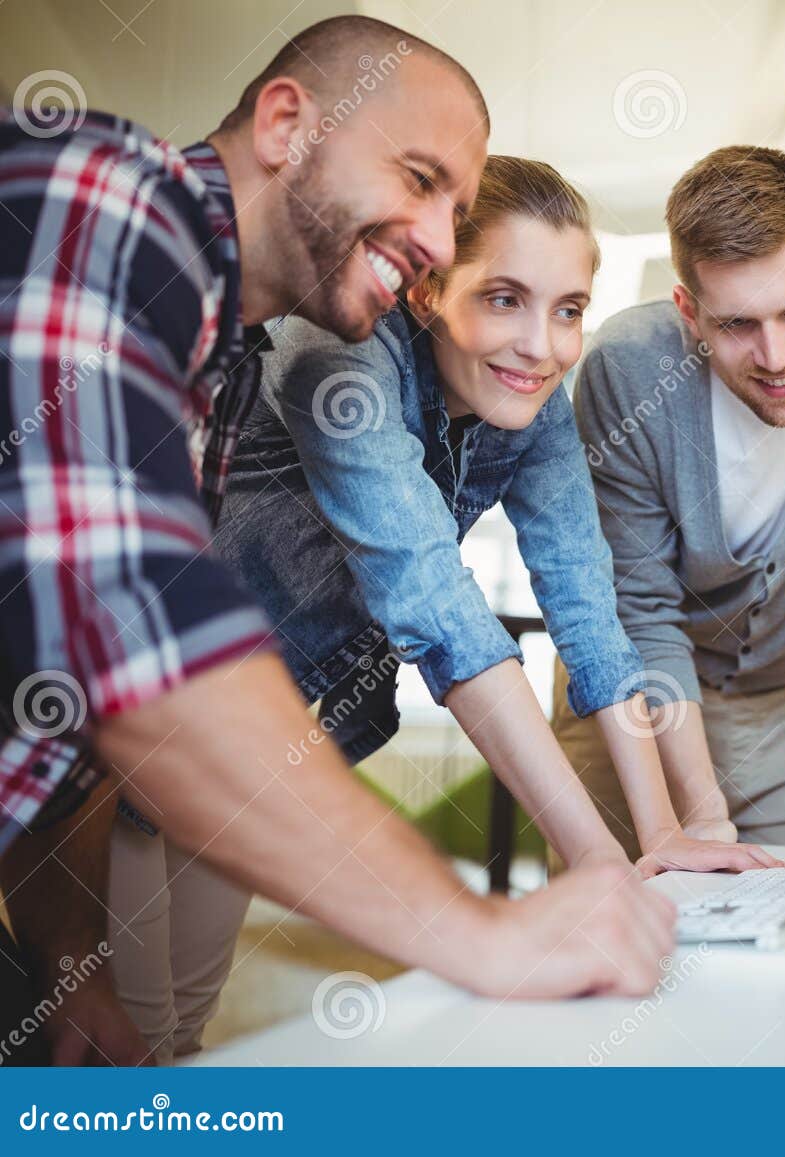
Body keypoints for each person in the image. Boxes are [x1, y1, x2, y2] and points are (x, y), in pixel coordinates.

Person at [0, 15, 673, 1066]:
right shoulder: (121, 205)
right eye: (418, 178)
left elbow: (67, 671)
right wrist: (480, 932)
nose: (440, 240)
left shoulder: (221, 363)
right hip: (181, 766)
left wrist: (62, 951)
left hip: (134, 800)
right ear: (284, 124)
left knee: (142, 1051)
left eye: (456, 209)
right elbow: (139, 645)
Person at [553, 146, 785, 855]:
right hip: (633, 696)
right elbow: (640, 611)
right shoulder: (628, 369)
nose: (777, 354)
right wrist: (703, 818)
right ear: (689, 312)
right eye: (736, 324)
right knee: (618, 928)